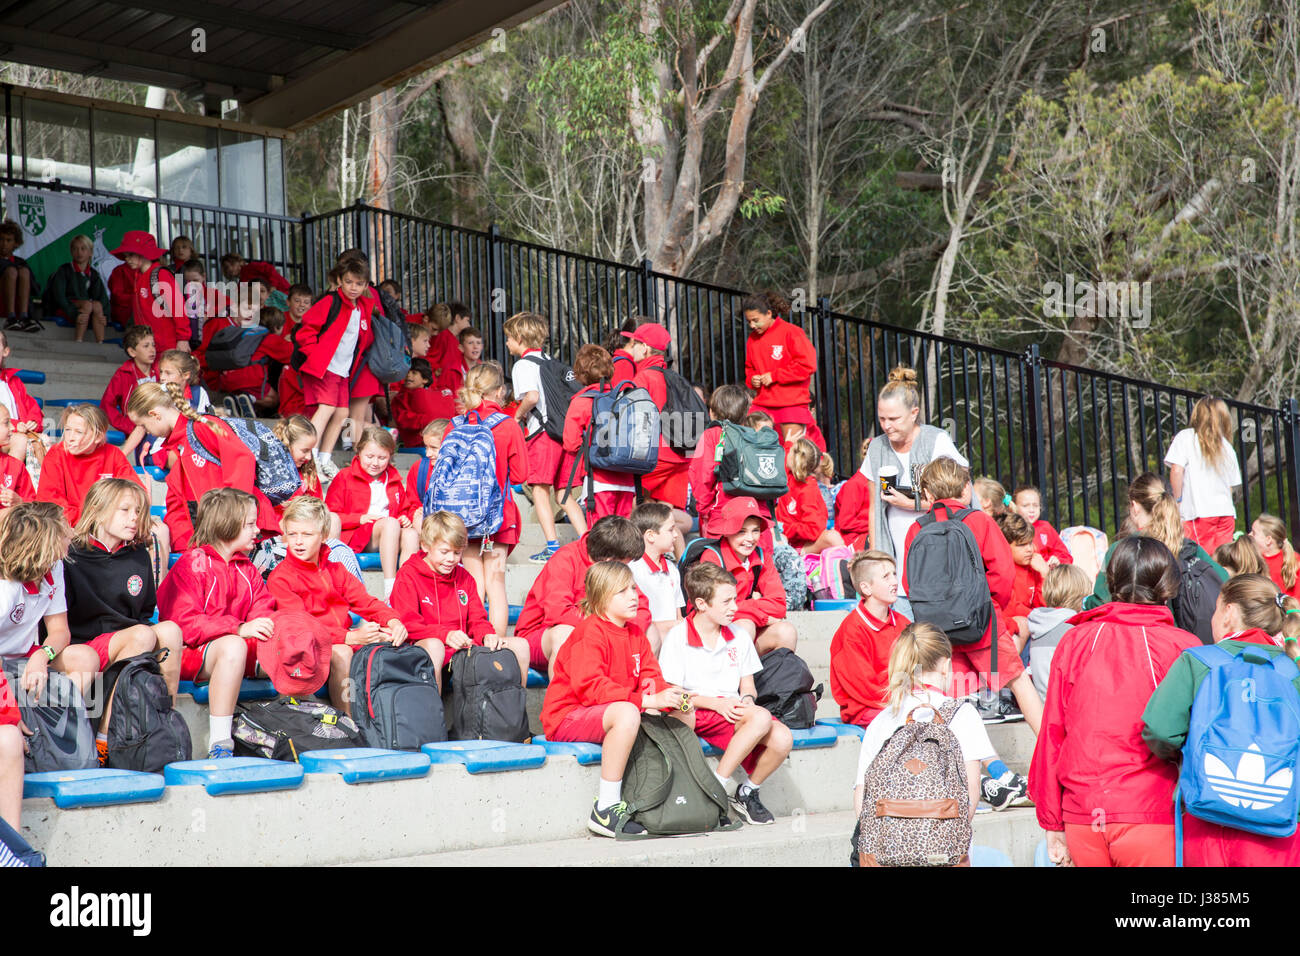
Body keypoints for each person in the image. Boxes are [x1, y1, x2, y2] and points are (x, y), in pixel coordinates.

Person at [1029, 535, 1202, 867]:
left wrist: (1051, 820)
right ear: (1167, 584)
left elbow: (1053, 732)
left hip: (1084, 813)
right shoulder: (1183, 646)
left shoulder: (1075, 640)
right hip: (1150, 810)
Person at [1143, 573, 1300, 865]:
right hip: (1280, 826)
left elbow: (1160, 729)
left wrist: (1182, 754)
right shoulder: (1293, 672)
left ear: (1229, 612)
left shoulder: (1198, 661)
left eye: (1216, 608)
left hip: (1209, 820)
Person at [540, 560, 683, 838]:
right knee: (629, 712)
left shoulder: (635, 633)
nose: (633, 596)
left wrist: (669, 696)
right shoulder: (590, 631)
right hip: (568, 717)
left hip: (607, 714)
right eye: (622, 591)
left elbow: (651, 678)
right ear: (601, 597)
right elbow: (592, 689)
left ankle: (676, 798)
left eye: (633, 588)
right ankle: (605, 807)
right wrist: (648, 701)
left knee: (682, 713)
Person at [903, 457, 1044, 739]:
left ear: (928, 494)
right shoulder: (979, 520)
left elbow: (910, 583)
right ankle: (1049, 753)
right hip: (983, 623)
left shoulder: (916, 529)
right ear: (966, 490)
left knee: (951, 698)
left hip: (939, 628)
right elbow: (1003, 573)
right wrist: (990, 606)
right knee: (1017, 682)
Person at [659, 561, 793, 825]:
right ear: (701, 604)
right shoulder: (678, 636)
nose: (735, 607)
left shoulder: (739, 635)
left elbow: (748, 685)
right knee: (761, 719)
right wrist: (715, 704)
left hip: (730, 710)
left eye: (735, 599)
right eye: (727, 602)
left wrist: (747, 701)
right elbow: (674, 695)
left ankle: (745, 792)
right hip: (693, 711)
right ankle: (715, 789)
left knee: (782, 738)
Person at [62, 478, 184, 763]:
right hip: (82, 645)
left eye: (138, 511)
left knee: (171, 631)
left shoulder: (138, 553)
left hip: (126, 639)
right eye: (124, 510)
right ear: (98, 509)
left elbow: (144, 611)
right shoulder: (71, 554)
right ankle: (107, 739)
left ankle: (164, 725)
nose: (134, 518)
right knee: (141, 635)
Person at [852, 622, 992, 862]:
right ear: (946, 665)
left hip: (886, 855)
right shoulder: (963, 714)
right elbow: (971, 793)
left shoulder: (883, 719)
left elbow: (862, 795)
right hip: (943, 853)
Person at [267, 495, 407, 714]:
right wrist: (349, 637)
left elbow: (366, 602)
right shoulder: (281, 578)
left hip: (340, 638)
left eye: (306, 534)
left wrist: (392, 620)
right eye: (292, 534)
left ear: (323, 536)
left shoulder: (335, 569)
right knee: (342, 652)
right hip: (307, 648)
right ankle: (349, 723)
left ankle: (385, 722)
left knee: (389, 642)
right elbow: (302, 628)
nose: (298, 541)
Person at [862, 365, 970, 618]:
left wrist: (912, 504)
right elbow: (874, 509)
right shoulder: (877, 448)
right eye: (882, 418)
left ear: (914, 413)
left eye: (894, 419)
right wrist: (877, 559)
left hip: (938, 553)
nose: (887, 426)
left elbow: (963, 497)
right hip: (897, 556)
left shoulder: (937, 441)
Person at [125, 382, 278, 551]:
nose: (147, 432)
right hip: (219, 538)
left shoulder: (202, 428)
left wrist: (234, 519)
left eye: (144, 426)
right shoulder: (180, 445)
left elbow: (242, 460)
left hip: (239, 533)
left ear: (155, 415)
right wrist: (182, 547)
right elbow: (177, 507)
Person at [391, 510, 530, 689]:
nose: (451, 559)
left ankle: (515, 712)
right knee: (434, 647)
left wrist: (486, 635)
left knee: (520, 645)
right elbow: (407, 624)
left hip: (463, 652)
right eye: (444, 552)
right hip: (427, 649)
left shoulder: (465, 577)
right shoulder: (408, 575)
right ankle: (433, 715)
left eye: (457, 553)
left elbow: (477, 619)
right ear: (425, 546)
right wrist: (445, 635)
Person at [440, 362, 527, 636]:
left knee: (472, 581)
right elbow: (522, 474)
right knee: (496, 582)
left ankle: (473, 643)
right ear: (500, 390)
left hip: (462, 516)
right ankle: (497, 646)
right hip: (498, 517)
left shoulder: (454, 425)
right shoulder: (508, 425)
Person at [1085, 474, 1228, 631]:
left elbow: (1100, 602)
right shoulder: (1190, 549)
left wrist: (1082, 603)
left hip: (1135, 637)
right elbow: (1224, 581)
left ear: (1135, 506)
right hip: (1182, 639)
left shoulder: (1121, 549)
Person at [515, 515, 655, 673]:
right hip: (541, 635)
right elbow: (558, 613)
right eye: (625, 563)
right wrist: (605, 626)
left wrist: (620, 630)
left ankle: (636, 692)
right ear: (609, 560)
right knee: (565, 634)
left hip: (599, 634)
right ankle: (562, 697)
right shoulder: (565, 559)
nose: (627, 567)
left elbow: (641, 608)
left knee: (651, 632)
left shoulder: (614, 563)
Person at [505, 311, 575, 563]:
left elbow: (531, 396)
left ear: (520, 338)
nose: (507, 343)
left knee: (539, 490)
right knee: (563, 494)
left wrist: (516, 415)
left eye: (509, 338)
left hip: (541, 434)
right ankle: (588, 537)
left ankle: (552, 544)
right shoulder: (550, 361)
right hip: (562, 433)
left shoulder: (523, 364)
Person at [295, 257, 378, 464]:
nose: (353, 287)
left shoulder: (363, 307)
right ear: (340, 280)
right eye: (349, 281)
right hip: (327, 367)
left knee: (342, 413)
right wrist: (316, 356)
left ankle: (324, 459)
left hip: (343, 370)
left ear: (366, 285)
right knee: (327, 409)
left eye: (359, 283)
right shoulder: (331, 301)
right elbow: (305, 330)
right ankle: (309, 455)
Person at [324, 425, 419, 600]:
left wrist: (405, 517)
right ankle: (391, 588)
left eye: (382, 458)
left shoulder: (394, 479)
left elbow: (405, 508)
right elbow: (329, 515)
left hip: (387, 532)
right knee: (390, 523)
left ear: (390, 456)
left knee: (411, 534)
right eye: (370, 456)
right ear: (359, 453)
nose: (375, 463)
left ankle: (406, 589)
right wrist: (359, 518)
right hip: (357, 534)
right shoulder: (344, 477)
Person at [697, 498, 797, 654]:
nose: (750, 539)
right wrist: (762, 615)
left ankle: (774, 678)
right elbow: (715, 609)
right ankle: (740, 679)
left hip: (743, 625)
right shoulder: (713, 557)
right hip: (711, 634)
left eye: (755, 530)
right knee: (745, 626)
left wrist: (746, 608)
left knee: (786, 631)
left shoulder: (761, 556)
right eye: (741, 531)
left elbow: (779, 604)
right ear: (727, 531)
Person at [0, 504, 71, 706]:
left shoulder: (54, 567)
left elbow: (60, 631)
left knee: (83, 657)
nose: (71, 535)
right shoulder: (6, 587)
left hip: (23, 655)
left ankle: (57, 728)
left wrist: (42, 655)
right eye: (64, 532)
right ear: (46, 543)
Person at [829, 549, 907, 727]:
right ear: (866, 587)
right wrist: (904, 704)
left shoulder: (904, 624)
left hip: (900, 703)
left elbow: (918, 669)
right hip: (867, 710)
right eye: (886, 577)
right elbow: (865, 688)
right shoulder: (852, 630)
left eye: (894, 574)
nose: (895, 582)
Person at [35, 405, 145, 528]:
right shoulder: (57, 454)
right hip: (68, 528)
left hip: (107, 526)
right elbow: (50, 502)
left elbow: (135, 492)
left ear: (98, 436)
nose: (70, 438)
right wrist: (90, 520)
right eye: (67, 430)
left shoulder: (113, 454)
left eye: (78, 432)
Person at [623, 323, 691, 513]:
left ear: (644, 348)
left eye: (634, 343)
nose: (631, 347)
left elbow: (635, 422)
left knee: (629, 503)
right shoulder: (673, 377)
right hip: (683, 453)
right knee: (664, 516)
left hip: (658, 456)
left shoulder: (643, 378)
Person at [560, 344, 629, 521]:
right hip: (628, 477)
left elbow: (571, 443)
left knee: (601, 532)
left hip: (598, 479)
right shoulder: (625, 399)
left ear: (581, 373)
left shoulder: (581, 402)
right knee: (625, 533)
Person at [1165, 396, 1241, 553]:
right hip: (1226, 514)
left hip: (1199, 513)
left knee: (1199, 561)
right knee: (1222, 562)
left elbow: (1177, 470)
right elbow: (1230, 486)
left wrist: (1177, 500)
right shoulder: (1227, 447)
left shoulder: (1186, 437)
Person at [741, 291, 817, 445]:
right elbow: (749, 368)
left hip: (791, 402)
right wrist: (752, 379)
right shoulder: (752, 339)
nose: (752, 325)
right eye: (749, 321)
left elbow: (808, 364)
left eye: (756, 320)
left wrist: (775, 376)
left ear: (769, 314)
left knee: (792, 452)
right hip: (763, 403)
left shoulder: (791, 332)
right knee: (752, 447)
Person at [123, 349, 214, 466]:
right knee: (181, 458)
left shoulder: (199, 393)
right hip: (158, 449)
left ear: (186, 375)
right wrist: (123, 454)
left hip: (187, 445)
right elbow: (140, 428)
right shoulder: (158, 393)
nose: (162, 377)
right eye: (161, 372)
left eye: (168, 373)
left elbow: (201, 425)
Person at [688, 383, 755, 537]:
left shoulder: (712, 435)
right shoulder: (752, 435)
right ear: (745, 413)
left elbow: (702, 477)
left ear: (712, 412)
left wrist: (705, 511)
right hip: (753, 512)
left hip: (721, 515)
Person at [112, 230, 189, 354]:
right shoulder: (139, 277)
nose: (127, 259)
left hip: (167, 347)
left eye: (130, 254)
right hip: (149, 348)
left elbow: (178, 307)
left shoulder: (161, 275)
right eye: (126, 255)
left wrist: (183, 338)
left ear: (143, 254)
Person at [1025, 563, 1092, 700]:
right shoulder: (1073, 630)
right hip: (1067, 706)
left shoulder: (1039, 623)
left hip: (1043, 705)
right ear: (1079, 595)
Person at [629, 500, 683, 644]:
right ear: (651, 535)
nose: (676, 535)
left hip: (672, 641)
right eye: (671, 530)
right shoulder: (632, 569)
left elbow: (678, 616)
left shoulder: (672, 569)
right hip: (644, 639)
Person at [778, 436, 844, 554]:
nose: (786, 454)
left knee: (833, 537)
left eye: (790, 451)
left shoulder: (808, 488)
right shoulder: (787, 473)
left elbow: (814, 529)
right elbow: (787, 452)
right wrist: (788, 441)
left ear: (796, 458)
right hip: (784, 538)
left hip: (802, 544)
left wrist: (785, 527)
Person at [996, 511, 1048, 650]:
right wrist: (1039, 617)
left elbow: (1044, 605)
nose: (1029, 549)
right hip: (1016, 629)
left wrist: (1044, 575)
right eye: (1021, 545)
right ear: (1006, 546)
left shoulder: (1035, 565)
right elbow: (1011, 607)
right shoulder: (1003, 570)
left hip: (1034, 624)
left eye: (1030, 543)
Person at [45, 234, 110, 343]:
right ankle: (78, 341)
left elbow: (102, 298)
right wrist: (73, 314)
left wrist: (106, 316)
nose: (79, 252)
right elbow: (59, 297)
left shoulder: (93, 274)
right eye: (75, 249)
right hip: (66, 309)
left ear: (90, 253)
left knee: (97, 305)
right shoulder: (64, 270)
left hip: (86, 312)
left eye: (83, 249)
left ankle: (101, 342)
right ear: (71, 252)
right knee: (87, 305)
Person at [101, 326, 159, 436]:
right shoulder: (123, 374)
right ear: (132, 352)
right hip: (137, 431)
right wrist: (128, 426)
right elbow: (106, 405)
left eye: (153, 345)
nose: (152, 350)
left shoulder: (161, 370)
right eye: (146, 346)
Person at [0, 330, 41, 464]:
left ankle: (37, 485)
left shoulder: (13, 381)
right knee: (20, 440)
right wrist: (16, 426)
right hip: (8, 435)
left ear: (5, 352)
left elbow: (32, 407)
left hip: (17, 432)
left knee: (42, 440)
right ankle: (9, 480)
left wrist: (33, 421)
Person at [392, 358, 453, 448]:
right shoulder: (400, 398)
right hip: (416, 445)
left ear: (425, 379)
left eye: (414, 373)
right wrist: (429, 419)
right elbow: (403, 419)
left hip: (440, 441)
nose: (408, 375)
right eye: (407, 372)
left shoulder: (438, 394)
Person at [1011, 484, 1072, 565]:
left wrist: (1057, 560)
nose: (1032, 510)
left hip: (1046, 574)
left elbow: (1065, 555)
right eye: (1025, 506)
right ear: (1014, 507)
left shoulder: (1045, 527)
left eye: (1035, 505)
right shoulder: (1010, 528)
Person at [834, 439, 873, 550]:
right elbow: (846, 522)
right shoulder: (854, 484)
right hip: (854, 539)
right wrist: (875, 524)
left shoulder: (873, 482)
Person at [1249, 514, 1300, 599]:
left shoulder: (1294, 561)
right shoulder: (1253, 559)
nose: (1249, 535)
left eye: (1254, 533)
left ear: (1268, 540)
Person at [406, 417, 450, 509]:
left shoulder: (464, 470)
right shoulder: (419, 469)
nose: (428, 454)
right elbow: (412, 503)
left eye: (434, 448)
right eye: (426, 447)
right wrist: (416, 512)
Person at [0, 220, 36, 333]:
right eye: (1, 239)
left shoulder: (21, 262)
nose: (4, 243)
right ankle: (10, 318)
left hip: (19, 304)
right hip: (2, 301)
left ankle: (24, 317)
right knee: (11, 271)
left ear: (16, 243)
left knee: (24, 272)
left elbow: (35, 288)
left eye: (8, 240)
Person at [0, 406, 34, 510]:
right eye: (6, 423)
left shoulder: (15, 465)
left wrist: (19, 502)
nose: (12, 428)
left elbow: (33, 505)